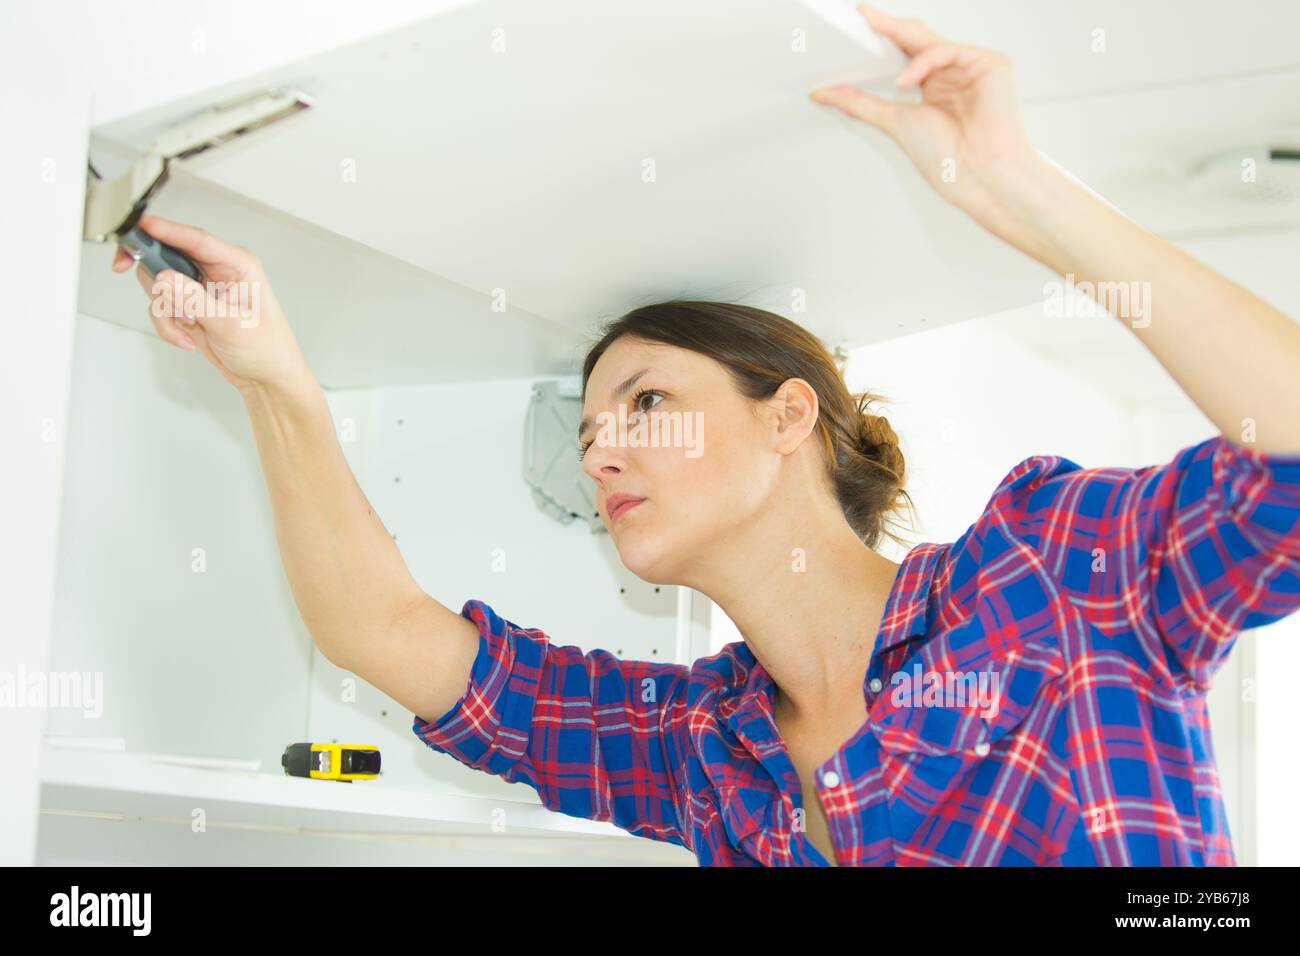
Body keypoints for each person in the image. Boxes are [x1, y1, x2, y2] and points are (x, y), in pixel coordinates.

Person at [116, 4, 1300, 866]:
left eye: (644, 401)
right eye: (587, 430)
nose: (599, 450)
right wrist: (275, 379)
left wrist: (1015, 186)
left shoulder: (1049, 575)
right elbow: (379, 631)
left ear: (788, 414)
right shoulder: (698, 746)